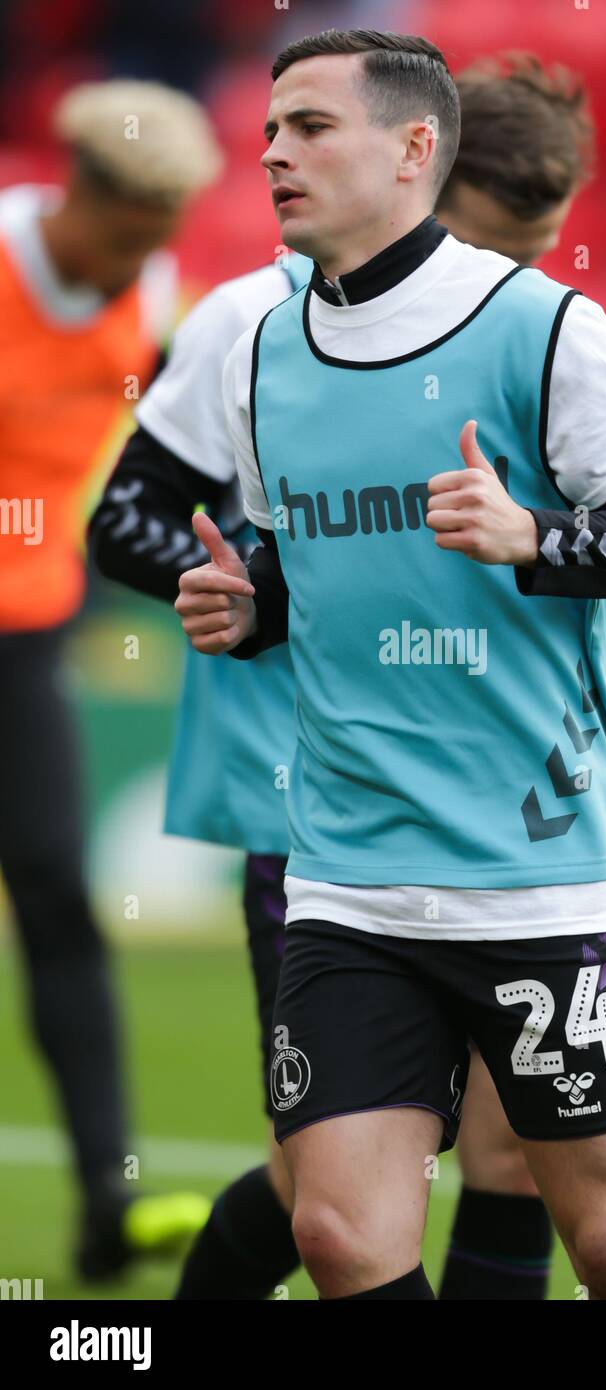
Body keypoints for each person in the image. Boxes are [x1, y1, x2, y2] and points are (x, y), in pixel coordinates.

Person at [178, 28, 606, 1301]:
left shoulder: (542, 328)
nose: (271, 154)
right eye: (268, 130)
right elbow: (307, 576)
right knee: (339, 1235)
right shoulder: (262, 350)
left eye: (310, 127)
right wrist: (247, 607)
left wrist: (534, 533)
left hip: (535, 870)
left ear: (416, 149)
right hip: (350, 871)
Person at [90, 50, 596, 1301]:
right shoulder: (255, 323)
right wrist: (258, 601)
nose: (506, 278)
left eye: (536, 253)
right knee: (337, 1182)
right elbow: (122, 519)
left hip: (504, 803)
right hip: (315, 794)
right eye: (494, 242)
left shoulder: (531, 332)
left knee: (518, 1148)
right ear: (424, 177)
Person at [0, 79, 221, 1279]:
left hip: (21, 629)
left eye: (160, 238)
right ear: (76, 188)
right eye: (129, 230)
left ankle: (102, 1200)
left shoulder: (148, 294)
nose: (142, 259)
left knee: (55, 897)